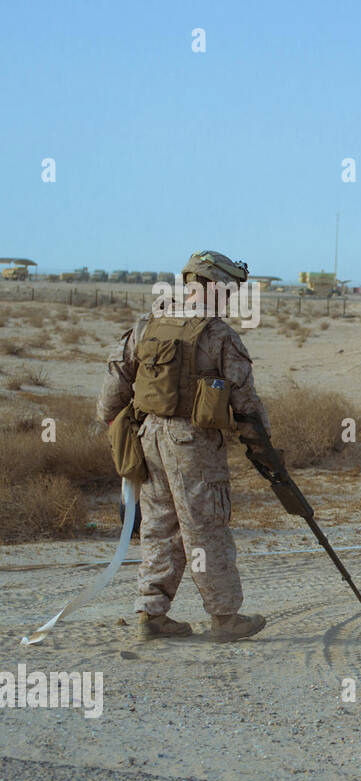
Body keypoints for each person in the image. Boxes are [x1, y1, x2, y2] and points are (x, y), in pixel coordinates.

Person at [96, 251, 270, 641]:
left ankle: (151, 615)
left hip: (150, 439)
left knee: (160, 527)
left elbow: (114, 387)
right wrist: (262, 446)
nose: (230, 297)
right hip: (194, 445)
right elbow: (246, 403)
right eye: (229, 289)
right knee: (206, 527)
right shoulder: (217, 335)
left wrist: (116, 427)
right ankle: (226, 618)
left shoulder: (148, 324)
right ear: (215, 286)